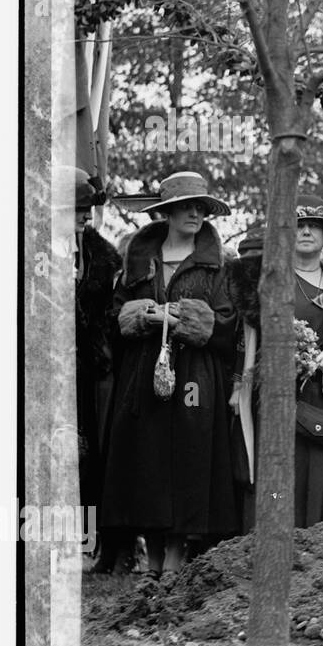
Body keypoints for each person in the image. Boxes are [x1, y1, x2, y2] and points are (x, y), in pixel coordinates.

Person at [101, 171, 238, 576]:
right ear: (167, 213)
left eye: (201, 207)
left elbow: (228, 323)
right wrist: (143, 314)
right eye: (186, 207)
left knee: (189, 458)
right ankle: (154, 553)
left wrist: (186, 319)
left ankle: (178, 555)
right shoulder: (139, 260)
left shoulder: (218, 266)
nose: (195, 214)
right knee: (146, 459)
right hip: (144, 372)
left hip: (195, 375)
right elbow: (115, 316)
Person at [227, 197, 323, 529]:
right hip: (275, 392)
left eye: (314, 225)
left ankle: (316, 557)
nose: (306, 231)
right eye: (298, 225)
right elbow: (244, 340)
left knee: (320, 472)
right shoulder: (267, 280)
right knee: (277, 470)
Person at [65, 170, 125, 571]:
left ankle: (89, 548)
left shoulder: (104, 258)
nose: (86, 216)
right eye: (77, 208)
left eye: (89, 208)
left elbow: (108, 315)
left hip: (89, 370)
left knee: (87, 455)